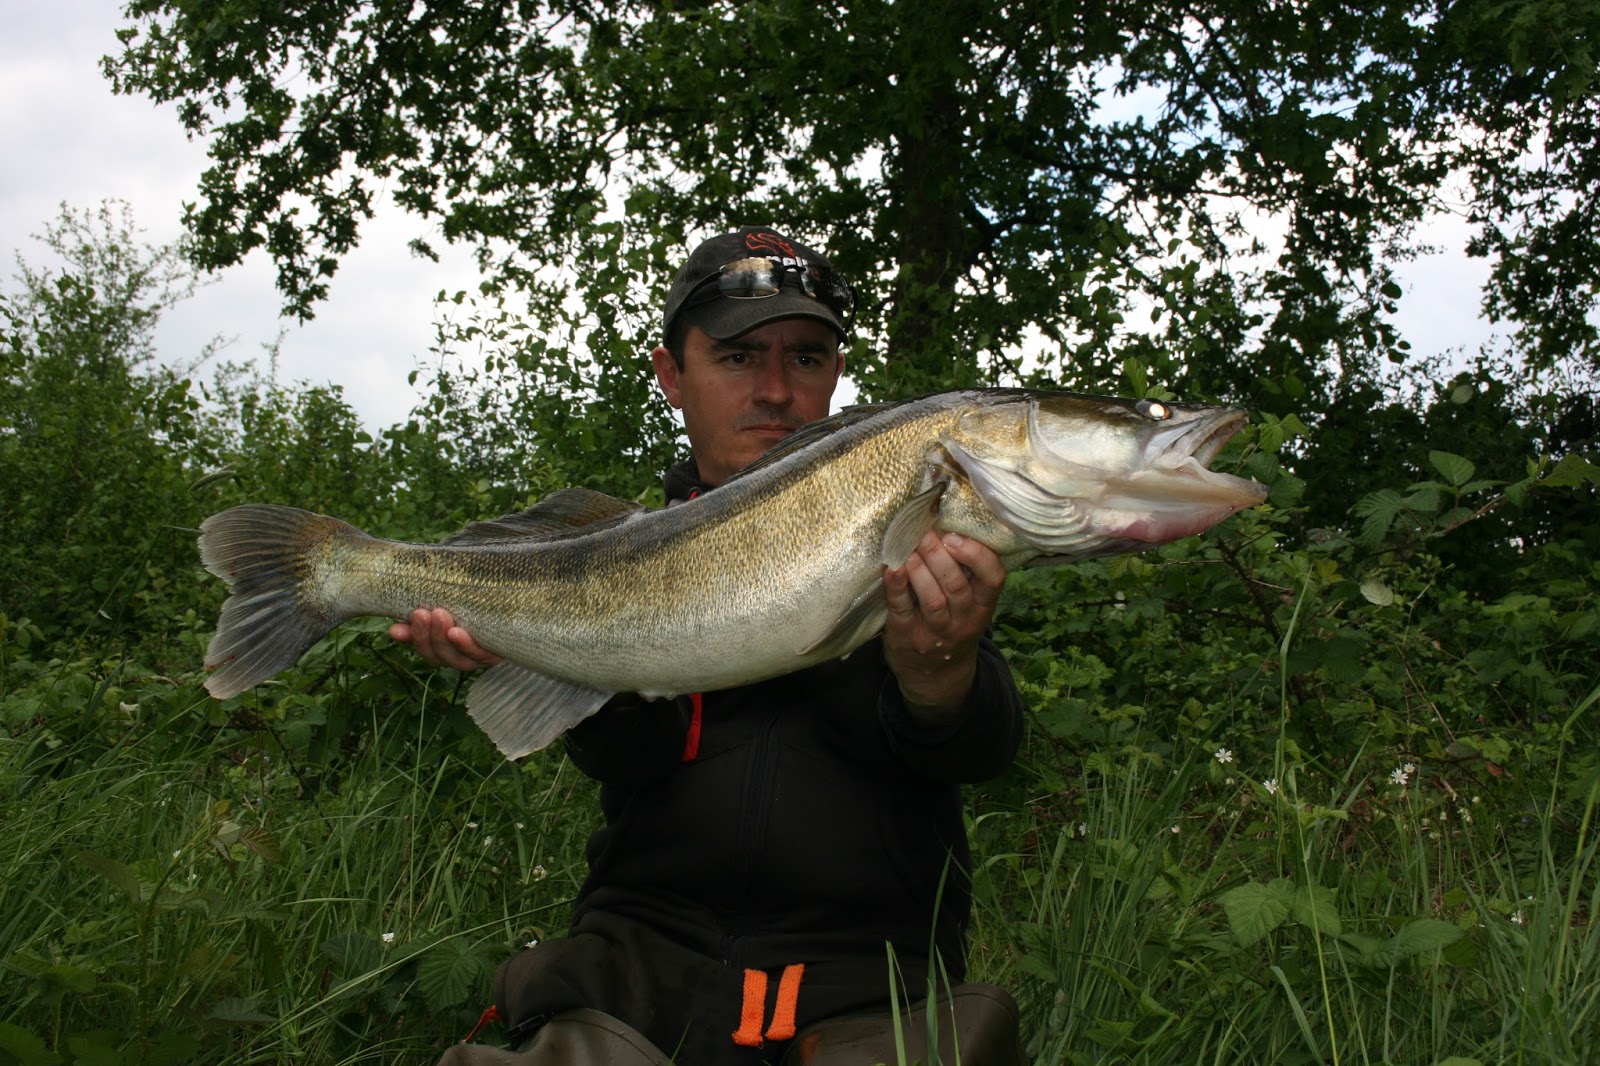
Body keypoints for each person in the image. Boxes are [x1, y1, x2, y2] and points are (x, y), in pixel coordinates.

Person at [407, 227, 1027, 1065]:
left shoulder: (919, 535)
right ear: (673, 375)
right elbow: (626, 759)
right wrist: (537, 651)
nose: (775, 389)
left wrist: (940, 669)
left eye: (806, 358)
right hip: (635, 970)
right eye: (738, 358)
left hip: (870, 981)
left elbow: (983, 748)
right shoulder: (614, 552)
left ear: (836, 375)